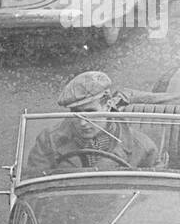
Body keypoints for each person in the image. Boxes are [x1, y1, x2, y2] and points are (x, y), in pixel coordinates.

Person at [23, 70, 160, 176]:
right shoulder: (49, 140)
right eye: (76, 113)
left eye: (90, 112)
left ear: (108, 105)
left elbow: (151, 201)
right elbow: (34, 188)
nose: (83, 123)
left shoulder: (142, 147)